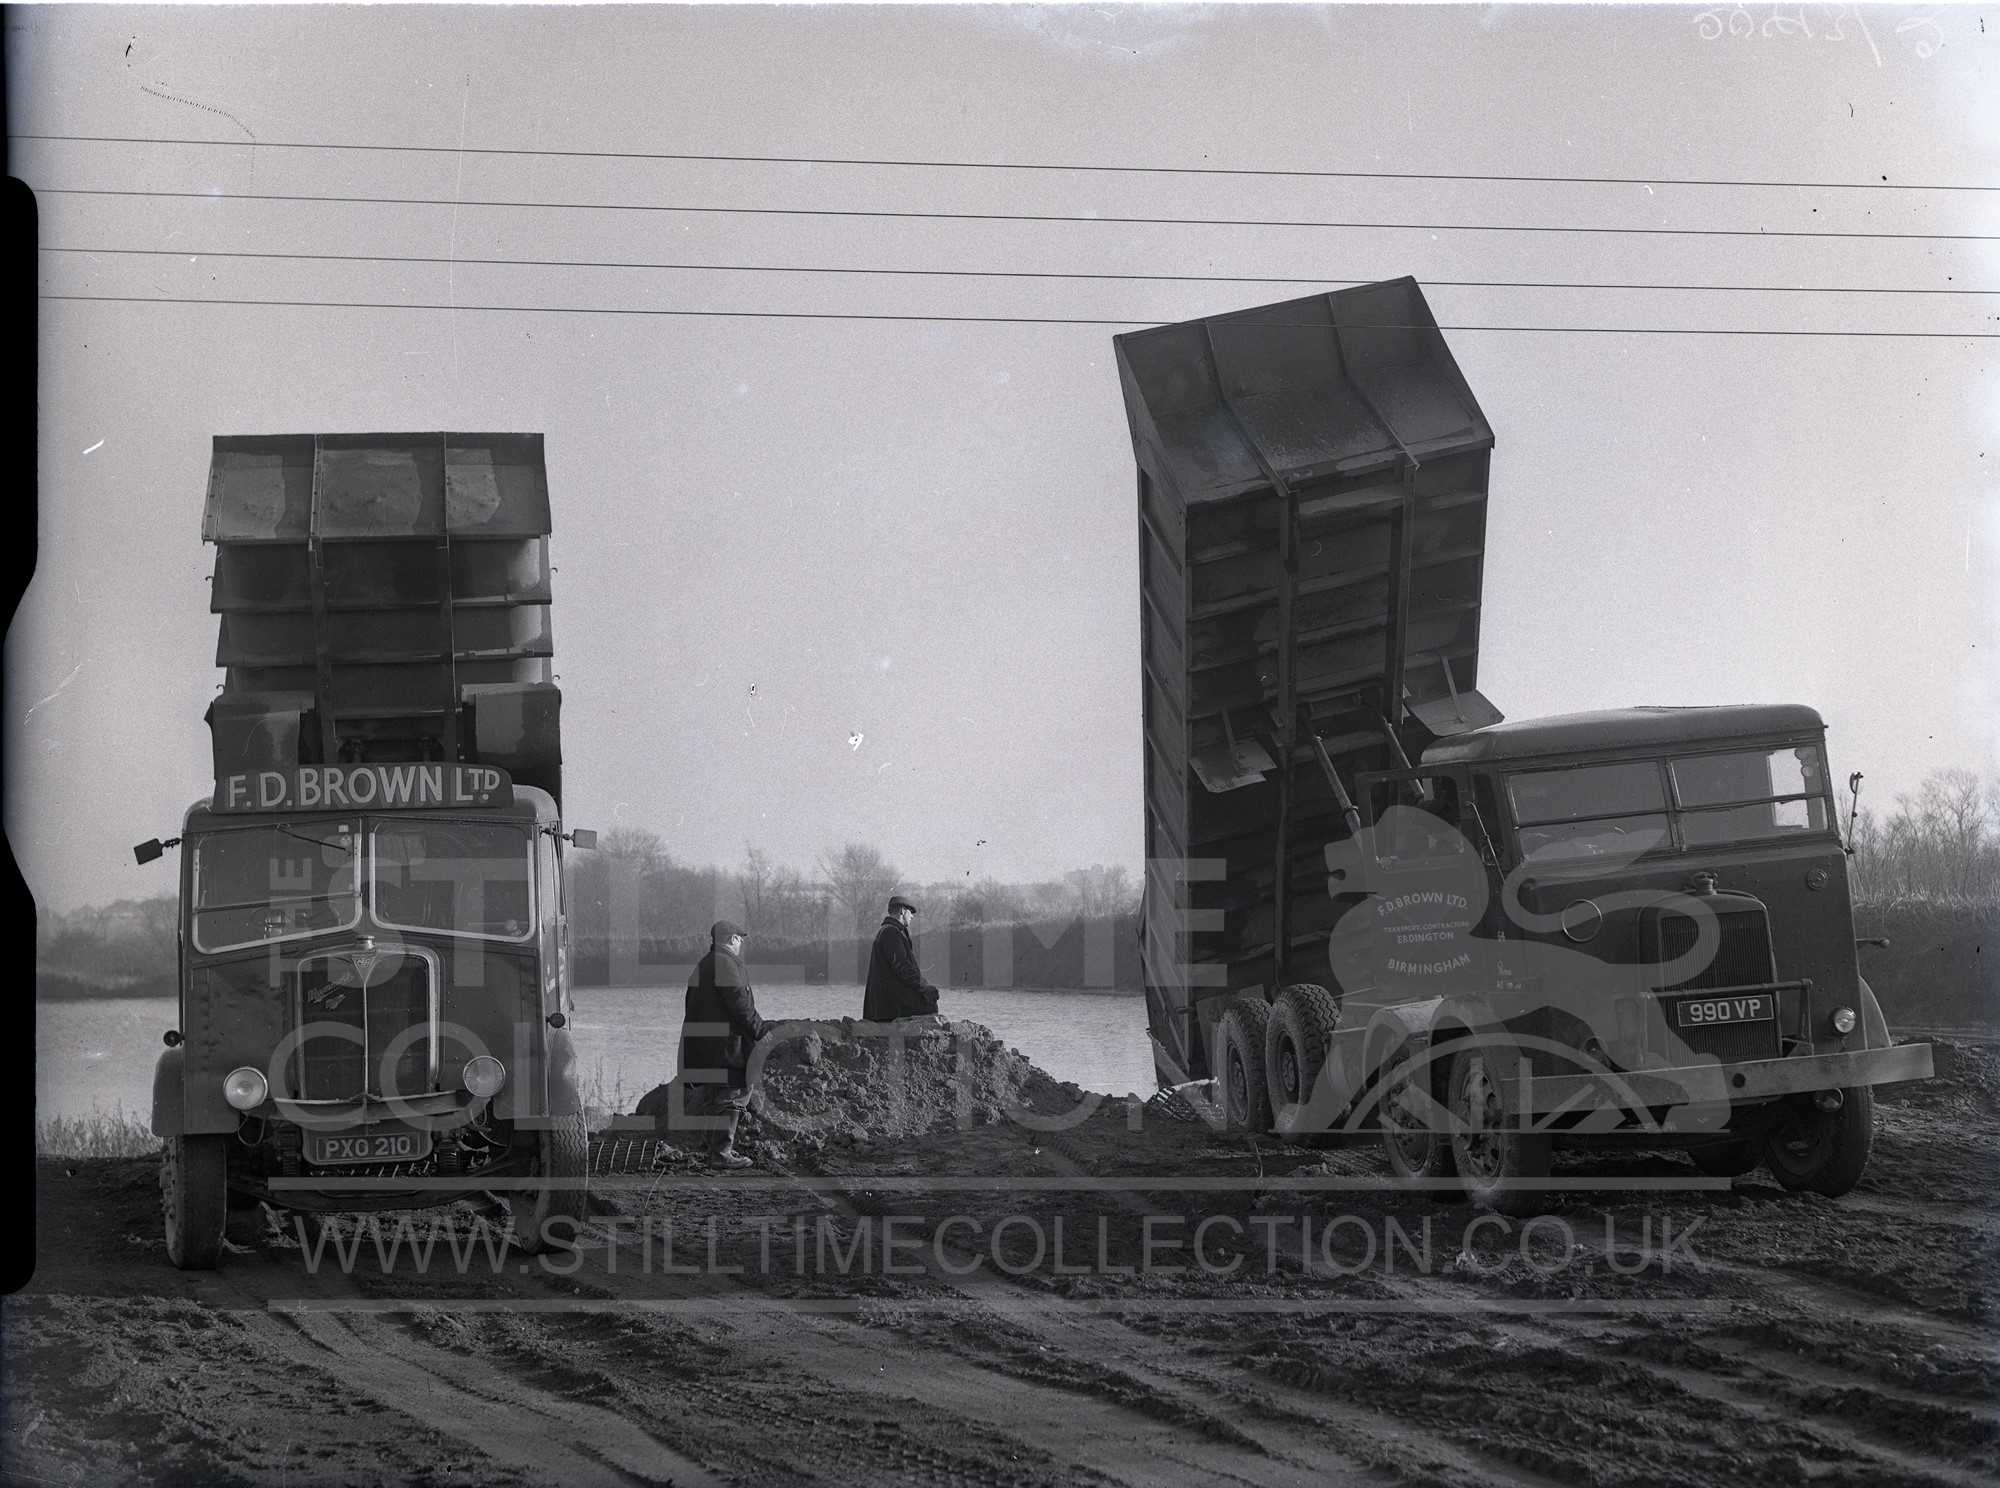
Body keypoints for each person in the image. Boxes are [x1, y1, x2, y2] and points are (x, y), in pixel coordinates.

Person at [677, 918, 767, 1169]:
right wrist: (760, 1029)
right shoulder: (726, 963)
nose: (740, 943)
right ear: (732, 940)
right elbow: (739, 1002)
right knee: (735, 1093)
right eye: (739, 938)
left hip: (707, 1044)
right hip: (726, 1045)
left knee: (717, 1095)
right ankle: (721, 1153)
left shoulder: (706, 963)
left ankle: (715, 1149)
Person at [862, 894, 941, 1021]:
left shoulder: (887, 931)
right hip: (888, 1006)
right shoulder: (891, 933)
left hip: (883, 1002)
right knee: (929, 1005)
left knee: (928, 999)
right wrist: (924, 987)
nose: (912, 916)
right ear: (902, 911)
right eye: (910, 912)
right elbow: (903, 968)